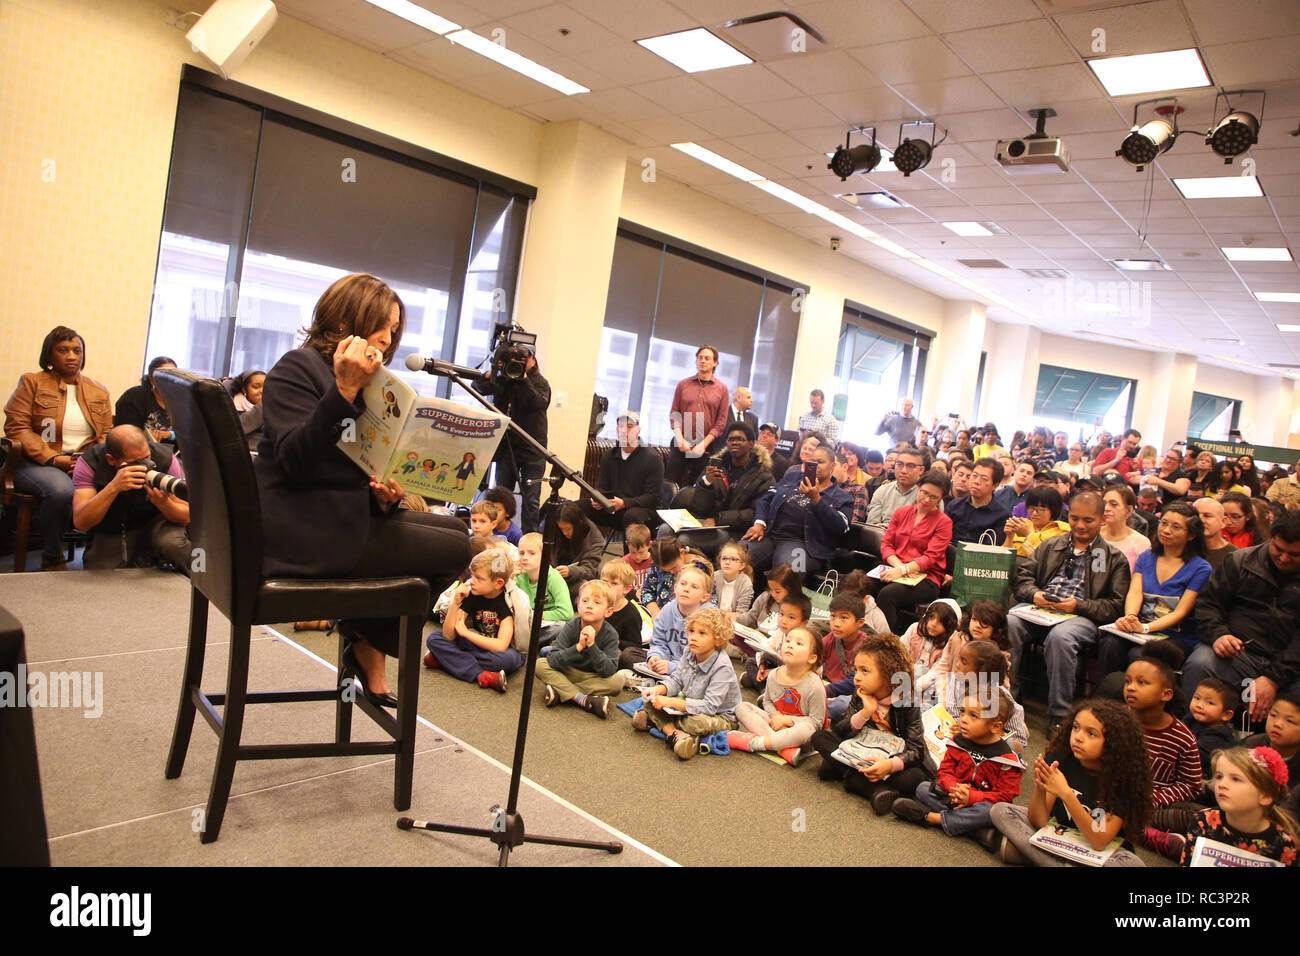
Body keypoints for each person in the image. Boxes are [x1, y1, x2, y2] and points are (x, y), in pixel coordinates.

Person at [254, 272, 470, 706]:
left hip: (341, 518)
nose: (390, 339)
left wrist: (382, 493)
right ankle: (366, 636)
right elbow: (297, 461)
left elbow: (345, 469)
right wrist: (345, 388)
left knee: (459, 534)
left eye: (395, 329)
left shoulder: (377, 385)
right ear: (350, 318)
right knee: (458, 551)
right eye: (384, 325)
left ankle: (364, 632)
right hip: (300, 533)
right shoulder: (295, 369)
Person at [1007, 492, 1130, 735]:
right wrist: (1034, 594)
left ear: (1101, 519)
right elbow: (1023, 578)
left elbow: (1113, 606)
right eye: (1075, 519)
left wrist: (1078, 606)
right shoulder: (1053, 545)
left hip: (1081, 616)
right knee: (1009, 620)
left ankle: (1060, 713)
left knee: (1061, 637)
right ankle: (1008, 695)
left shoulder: (1107, 557)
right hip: (1042, 607)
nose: (1080, 526)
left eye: (1088, 521)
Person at [990, 698, 1150, 867]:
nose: (1078, 737)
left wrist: (1066, 794)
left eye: (1091, 733)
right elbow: (1040, 821)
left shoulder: (1120, 778)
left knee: (1131, 864)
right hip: (1060, 835)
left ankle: (1029, 856)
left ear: (1113, 743)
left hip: (1099, 850)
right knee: (1001, 811)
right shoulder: (1062, 757)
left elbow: (1099, 840)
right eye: (1076, 727)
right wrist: (1041, 786)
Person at [4, 326, 113, 571]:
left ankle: (102, 553)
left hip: (83, 462)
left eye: (77, 350)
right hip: (35, 463)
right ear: (50, 355)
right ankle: (52, 554)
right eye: (63, 350)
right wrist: (54, 458)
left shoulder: (99, 390)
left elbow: (106, 434)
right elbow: (17, 427)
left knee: (118, 484)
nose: (72, 356)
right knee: (60, 489)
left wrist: (90, 460)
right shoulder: (32, 382)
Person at [1182, 510, 1300, 722]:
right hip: (1237, 653)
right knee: (1200, 663)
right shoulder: (1240, 561)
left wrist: (1273, 678)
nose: (1284, 558)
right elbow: (1208, 605)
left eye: (1294, 555)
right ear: (1270, 539)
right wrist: (1219, 635)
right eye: (1278, 549)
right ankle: (1193, 737)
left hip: (1289, 661)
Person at [812, 633, 934, 816]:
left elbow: (916, 749)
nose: (857, 677)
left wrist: (889, 765)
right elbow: (840, 730)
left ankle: (852, 777)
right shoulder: (861, 692)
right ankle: (874, 789)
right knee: (819, 737)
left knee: (915, 777)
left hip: (889, 758)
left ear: (888, 674)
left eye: (865, 671)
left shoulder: (906, 701)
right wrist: (864, 713)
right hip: (861, 750)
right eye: (857, 670)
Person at [1098, 502, 1212, 678]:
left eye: (1176, 527)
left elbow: (1181, 612)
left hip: (1175, 637)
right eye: (1164, 523)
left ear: (1191, 535)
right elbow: (1135, 592)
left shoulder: (1201, 568)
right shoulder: (1147, 557)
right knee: (1110, 644)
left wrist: (1145, 628)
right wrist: (1130, 617)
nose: (1166, 530)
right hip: (1139, 629)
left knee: (1139, 655)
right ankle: (1108, 696)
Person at [892, 689, 1023, 842]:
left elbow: (1005, 797)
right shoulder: (958, 742)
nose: (963, 720)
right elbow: (945, 771)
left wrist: (972, 797)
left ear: (995, 727)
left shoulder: (1006, 760)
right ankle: (977, 832)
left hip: (981, 804)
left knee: (992, 812)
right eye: (962, 712)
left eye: (973, 715)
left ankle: (932, 818)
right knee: (922, 788)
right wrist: (955, 789)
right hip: (953, 797)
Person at [71, 424, 190, 570]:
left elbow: (187, 516)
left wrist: (164, 503)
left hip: (156, 524)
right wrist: (113, 488)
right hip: (113, 527)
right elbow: (81, 522)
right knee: (100, 575)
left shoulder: (164, 457)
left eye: (147, 457)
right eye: (136, 462)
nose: (146, 465)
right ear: (111, 459)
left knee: (172, 544)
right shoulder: (91, 463)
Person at [634, 607, 741, 760]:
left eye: (702, 633)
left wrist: (672, 702)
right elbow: (677, 680)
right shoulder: (689, 651)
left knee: (695, 722)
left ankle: (663, 725)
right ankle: (675, 734)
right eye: (691, 631)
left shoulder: (722, 666)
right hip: (689, 704)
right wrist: (659, 690)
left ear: (718, 639)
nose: (693, 637)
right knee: (649, 701)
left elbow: (710, 707)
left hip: (720, 716)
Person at [742, 443, 852, 575]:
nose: (815, 465)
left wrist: (817, 499)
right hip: (770, 536)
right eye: (812, 461)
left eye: (820, 462)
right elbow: (766, 499)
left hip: (805, 546)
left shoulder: (843, 496)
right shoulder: (792, 478)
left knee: (789, 572)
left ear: (832, 466)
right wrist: (759, 523)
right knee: (734, 556)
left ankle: (772, 595)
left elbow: (840, 527)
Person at [1178, 747, 1298, 867]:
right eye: (1219, 776)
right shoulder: (1203, 821)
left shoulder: (1284, 843)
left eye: (1236, 779)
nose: (1222, 784)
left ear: (1265, 796)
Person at [423, 548, 521, 693]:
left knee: (510, 659)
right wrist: (456, 603)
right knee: (434, 639)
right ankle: (482, 675)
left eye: (479, 578)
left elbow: (501, 645)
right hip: (477, 645)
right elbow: (448, 635)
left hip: (499, 651)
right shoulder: (473, 593)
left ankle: (447, 661)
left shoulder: (509, 602)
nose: (472, 582)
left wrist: (465, 633)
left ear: (498, 583)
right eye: (472, 576)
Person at [728, 625, 827, 766]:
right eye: (788, 641)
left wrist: (787, 720)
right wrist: (776, 717)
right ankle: (783, 749)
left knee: (806, 729)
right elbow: (767, 702)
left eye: (799, 643)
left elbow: (816, 722)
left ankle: (757, 743)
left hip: (799, 733)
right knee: (742, 707)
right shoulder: (774, 674)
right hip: (775, 723)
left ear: (812, 658)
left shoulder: (814, 685)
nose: (790, 646)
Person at [867, 470, 953, 630]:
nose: (926, 499)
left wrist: (905, 569)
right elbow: (886, 544)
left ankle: (885, 643)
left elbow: (930, 557)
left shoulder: (944, 522)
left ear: (941, 498)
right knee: (861, 583)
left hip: (926, 577)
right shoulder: (902, 512)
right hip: (896, 566)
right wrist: (899, 567)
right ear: (918, 488)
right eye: (924, 493)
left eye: (933, 497)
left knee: (889, 594)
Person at [480, 345, 550, 533]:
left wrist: (524, 379)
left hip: (533, 450)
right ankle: (496, 533)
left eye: (524, 360)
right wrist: (492, 373)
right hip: (507, 448)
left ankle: (530, 538)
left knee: (531, 501)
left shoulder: (540, 382)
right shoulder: (506, 380)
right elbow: (478, 387)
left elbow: (540, 403)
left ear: (533, 360)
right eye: (516, 361)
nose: (519, 364)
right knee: (501, 496)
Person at [535, 579, 622, 718]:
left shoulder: (611, 634)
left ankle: (562, 692)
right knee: (539, 664)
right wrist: (579, 647)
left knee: (617, 682)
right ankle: (583, 699)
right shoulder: (570, 626)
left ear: (609, 611)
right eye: (585, 601)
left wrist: (592, 646)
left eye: (597, 602)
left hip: (591, 676)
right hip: (568, 670)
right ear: (578, 605)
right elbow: (553, 660)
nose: (589, 606)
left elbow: (609, 670)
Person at [673, 420, 772, 532]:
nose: (734, 443)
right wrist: (706, 484)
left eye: (740, 439)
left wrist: (718, 520)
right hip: (705, 522)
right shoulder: (715, 466)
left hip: (732, 529)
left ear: (751, 444)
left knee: (685, 539)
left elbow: (753, 512)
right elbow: (699, 508)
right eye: (731, 439)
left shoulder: (763, 476)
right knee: (665, 529)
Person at [583, 411, 663, 535]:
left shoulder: (653, 458)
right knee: (576, 508)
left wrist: (625, 503)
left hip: (642, 511)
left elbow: (652, 497)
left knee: (632, 516)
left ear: (638, 430)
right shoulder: (609, 455)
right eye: (621, 426)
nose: (624, 430)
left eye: (630, 426)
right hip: (613, 508)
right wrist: (598, 499)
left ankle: (632, 555)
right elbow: (601, 486)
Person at [667, 345, 729, 488]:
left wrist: (703, 444)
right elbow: (674, 413)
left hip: (705, 444)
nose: (702, 361)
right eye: (700, 358)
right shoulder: (683, 384)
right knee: (668, 483)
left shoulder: (722, 389)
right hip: (681, 441)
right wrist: (680, 439)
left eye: (707, 358)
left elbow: (721, 422)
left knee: (697, 487)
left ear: (715, 363)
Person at [644, 564, 714, 677]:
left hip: (696, 671)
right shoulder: (667, 610)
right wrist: (656, 657)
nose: (686, 589)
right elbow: (659, 642)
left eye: (694, 587)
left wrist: (672, 667)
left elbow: (705, 660)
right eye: (683, 584)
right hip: (668, 662)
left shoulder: (709, 617)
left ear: (704, 597)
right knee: (630, 655)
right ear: (675, 588)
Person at [114, 356, 178, 450]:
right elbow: (127, 436)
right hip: (140, 453)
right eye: (164, 376)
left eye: (174, 375)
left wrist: (168, 435)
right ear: (151, 379)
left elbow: (191, 435)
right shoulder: (134, 397)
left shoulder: (181, 402)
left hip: (176, 455)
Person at [945, 457, 1011, 544]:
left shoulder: (1002, 516)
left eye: (984, 479)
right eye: (974, 476)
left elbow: (992, 549)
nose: (976, 481)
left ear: (995, 485)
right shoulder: (954, 506)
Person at [1185, 678, 1239, 777]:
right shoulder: (1190, 719)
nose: (1199, 705)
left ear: (1226, 715)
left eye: (1210, 703)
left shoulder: (1219, 736)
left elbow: (1190, 758)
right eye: (1197, 698)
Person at [553, 501, 605, 602]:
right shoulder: (553, 529)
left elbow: (590, 570)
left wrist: (571, 571)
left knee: (584, 587)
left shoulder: (594, 538)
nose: (564, 533)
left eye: (568, 529)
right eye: (561, 529)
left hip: (574, 579)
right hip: (551, 577)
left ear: (578, 524)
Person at [864, 444, 926, 527]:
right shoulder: (882, 491)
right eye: (899, 464)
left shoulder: (928, 496)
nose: (904, 471)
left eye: (910, 466)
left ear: (921, 470)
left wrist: (892, 529)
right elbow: (871, 527)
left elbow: (926, 530)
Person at [1100, 484, 1151, 571]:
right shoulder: (1092, 535)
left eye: (1114, 504)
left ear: (1129, 510)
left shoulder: (1142, 543)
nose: (1107, 508)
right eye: (1104, 503)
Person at [1006, 485, 1068, 556]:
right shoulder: (1023, 525)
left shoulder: (1062, 532)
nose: (1034, 513)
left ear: (1054, 510)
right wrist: (1009, 536)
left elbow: (1045, 560)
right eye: (1031, 508)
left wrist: (1029, 535)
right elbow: (1003, 559)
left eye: (1040, 510)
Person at [712, 541, 753, 620]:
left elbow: (741, 613)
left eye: (733, 559)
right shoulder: (714, 577)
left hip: (732, 622)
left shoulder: (746, 584)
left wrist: (723, 615)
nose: (727, 562)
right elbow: (708, 603)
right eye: (724, 558)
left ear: (742, 565)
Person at [1194, 497, 1237, 571]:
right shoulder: (1180, 549)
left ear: (1223, 522)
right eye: (1196, 516)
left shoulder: (1234, 556)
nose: (1200, 520)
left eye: (1207, 516)